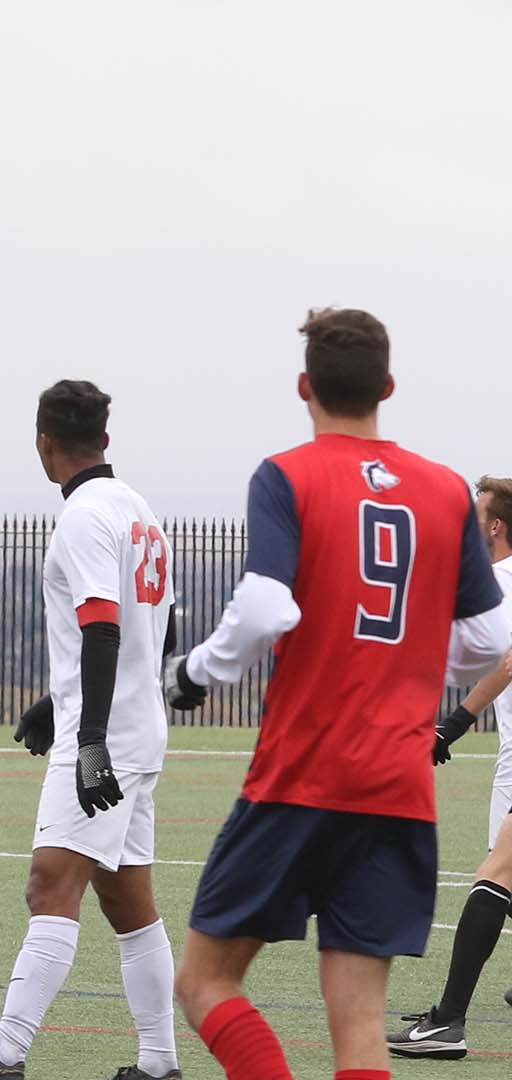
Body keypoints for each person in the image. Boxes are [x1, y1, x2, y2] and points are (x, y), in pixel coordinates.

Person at [166, 309, 508, 1080]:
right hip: (398, 786)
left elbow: (262, 610)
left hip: (303, 774)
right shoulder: (446, 489)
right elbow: (488, 641)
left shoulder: (286, 474)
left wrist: (195, 673)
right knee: (357, 1025)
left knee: (206, 979)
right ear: (387, 386)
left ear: (303, 386)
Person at [0, 381, 181, 1080]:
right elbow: (160, 627)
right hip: (138, 726)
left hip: (108, 737)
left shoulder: (85, 515)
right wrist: (54, 703)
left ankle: (4, 1053)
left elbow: (101, 627)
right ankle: (159, 1064)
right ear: (105, 439)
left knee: (49, 885)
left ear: (44, 442)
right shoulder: (138, 510)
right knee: (128, 900)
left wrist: (86, 735)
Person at [385, 475, 512, 1061]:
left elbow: (505, 663)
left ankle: (448, 1022)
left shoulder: (501, 583)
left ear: (494, 526)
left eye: (475, 514)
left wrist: (452, 723)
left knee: (499, 873)